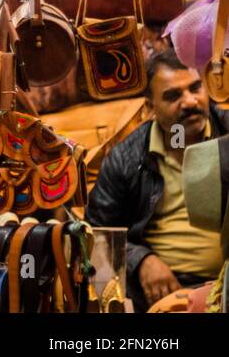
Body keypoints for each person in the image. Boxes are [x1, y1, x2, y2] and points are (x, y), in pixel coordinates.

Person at [85, 50, 229, 312]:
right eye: (173, 96)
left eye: (195, 88)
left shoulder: (227, 134)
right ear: (150, 108)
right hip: (162, 296)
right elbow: (98, 235)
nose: (189, 102)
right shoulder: (125, 157)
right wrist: (140, 260)